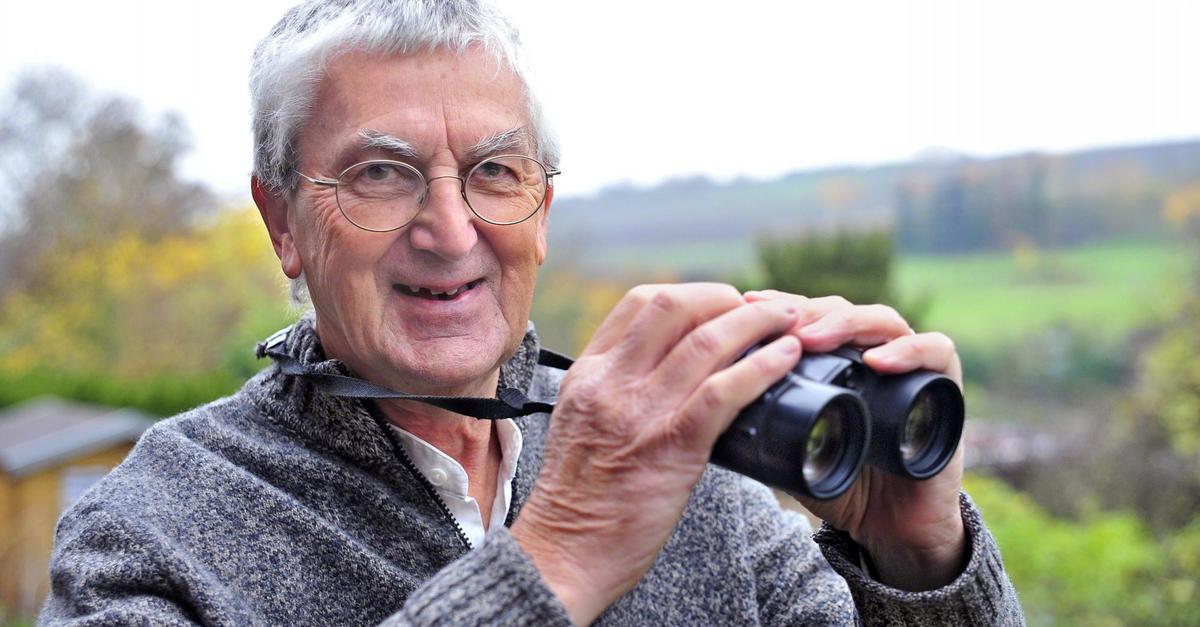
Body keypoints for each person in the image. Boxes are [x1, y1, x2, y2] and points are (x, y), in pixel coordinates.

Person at [40, 1, 1023, 625]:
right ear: (283, 223)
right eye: (381, 176)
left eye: (493, 173)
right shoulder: (152, 527)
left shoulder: (700, 481)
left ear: (542, 211)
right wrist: (555, 561)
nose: (451, 230)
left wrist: (920, 570)